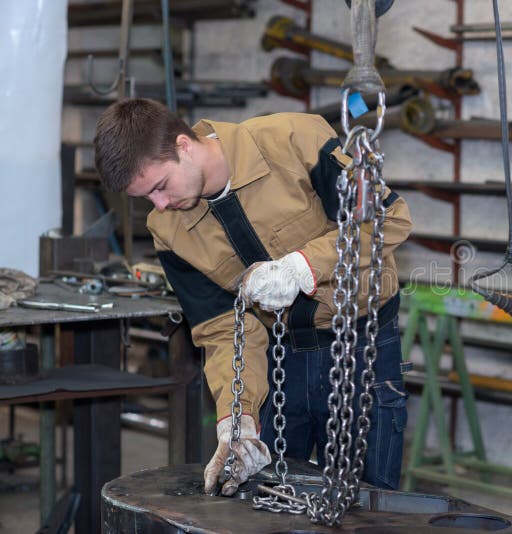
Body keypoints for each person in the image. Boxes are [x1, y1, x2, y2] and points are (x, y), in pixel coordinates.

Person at [93, 98, 413, 496]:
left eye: (160, 187)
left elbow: (387, 218)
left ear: (184, 145)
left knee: (368, 505)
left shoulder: (294, 140)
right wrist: (237, 419)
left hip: (360, 349)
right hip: (278, 363)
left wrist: (302, 267)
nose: (158, 205)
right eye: (146, 199)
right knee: (267, 503)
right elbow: (223, 328)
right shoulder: (169, 230)